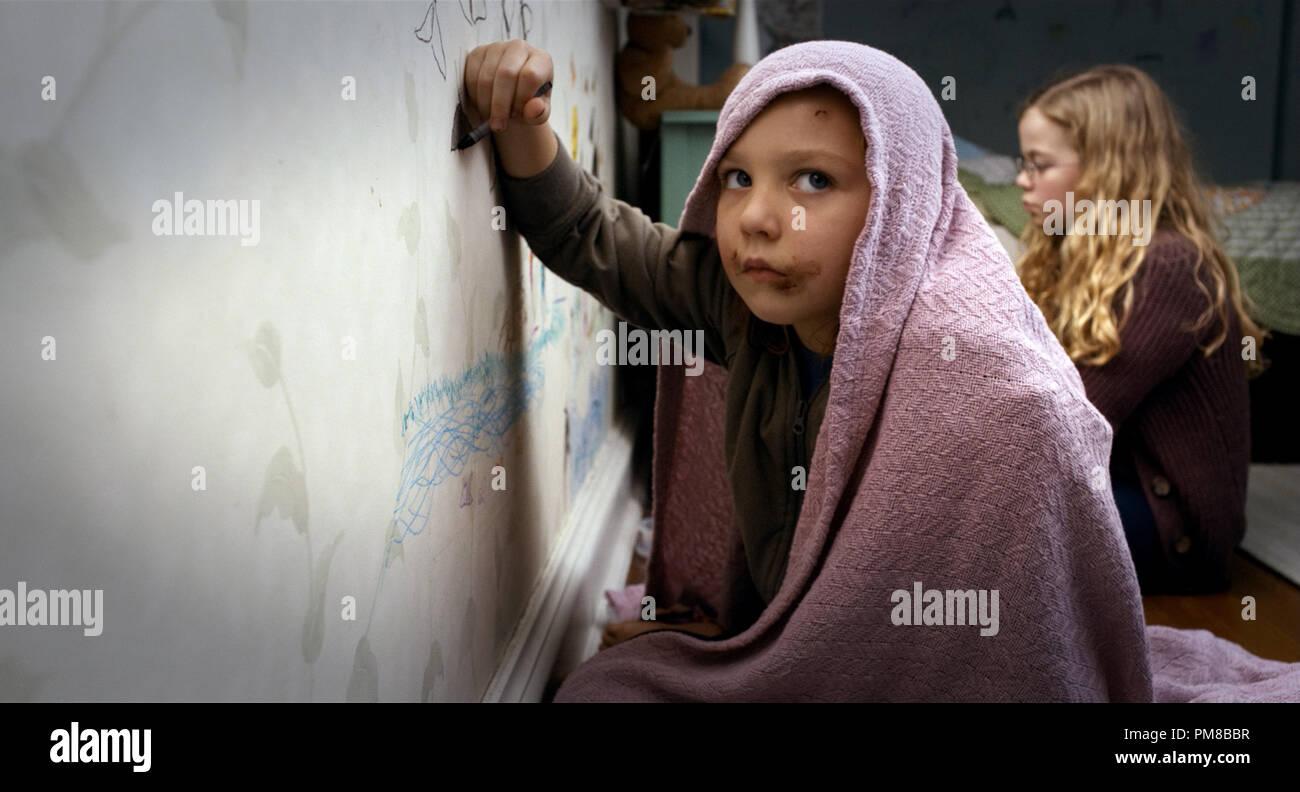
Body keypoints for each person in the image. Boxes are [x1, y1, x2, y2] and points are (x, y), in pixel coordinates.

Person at [464, 39, 1155, 701]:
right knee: (597, 691)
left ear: (900, 203)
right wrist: (522, 114)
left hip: (905, 670)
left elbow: (1002, 649)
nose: (759, 217)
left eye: (813, 180)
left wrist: (771, 665)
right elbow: (593, 236)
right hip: (786, 634)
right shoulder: (740, 302)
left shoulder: (983, 383)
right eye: (738, 177)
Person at [1014, 65, 1266, 595]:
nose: (1022, 180)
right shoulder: (1074, 252)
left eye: (1039, 165)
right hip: (1110, 488)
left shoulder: (1171, 265)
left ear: (1108, 171)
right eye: (1023, 163)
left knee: (971, 528)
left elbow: (1068, 417)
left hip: (1172, 527)